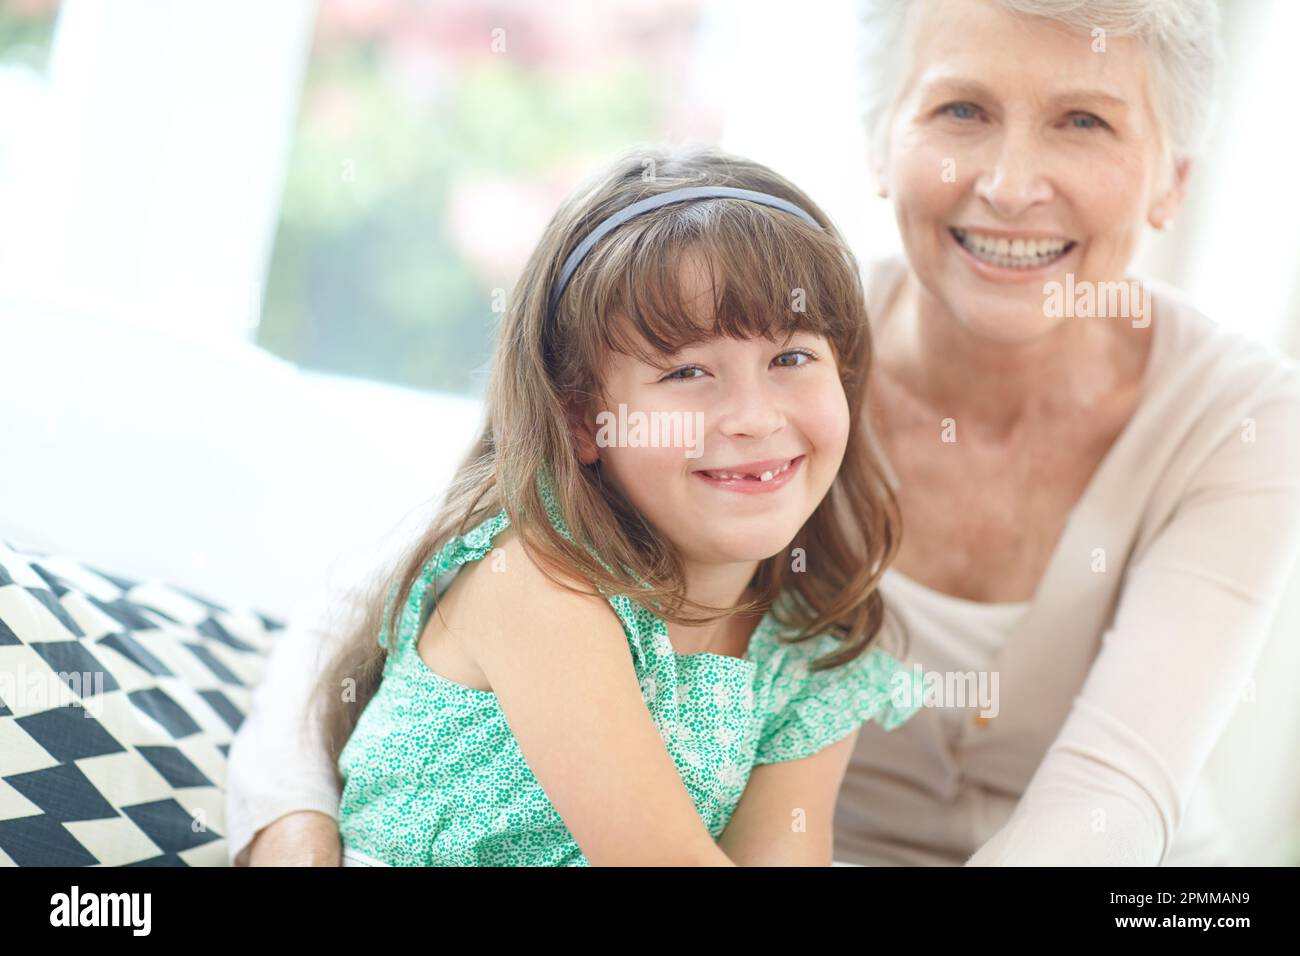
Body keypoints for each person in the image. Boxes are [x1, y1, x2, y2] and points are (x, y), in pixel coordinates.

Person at [231, 0, 1300, 866]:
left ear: (1171, 182)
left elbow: (1112, 793)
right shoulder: (778, 329)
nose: (1011, 183)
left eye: (1085, 120)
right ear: (884, 143)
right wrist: (288, 825)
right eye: (962, 109)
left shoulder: (1239, 417)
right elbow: (364, 609)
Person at [231, 144, 922, 867]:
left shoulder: (809, 648)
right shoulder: (540, 582)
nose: (753, 417)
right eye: (687, 372)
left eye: (790, 359)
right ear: (582, 418)